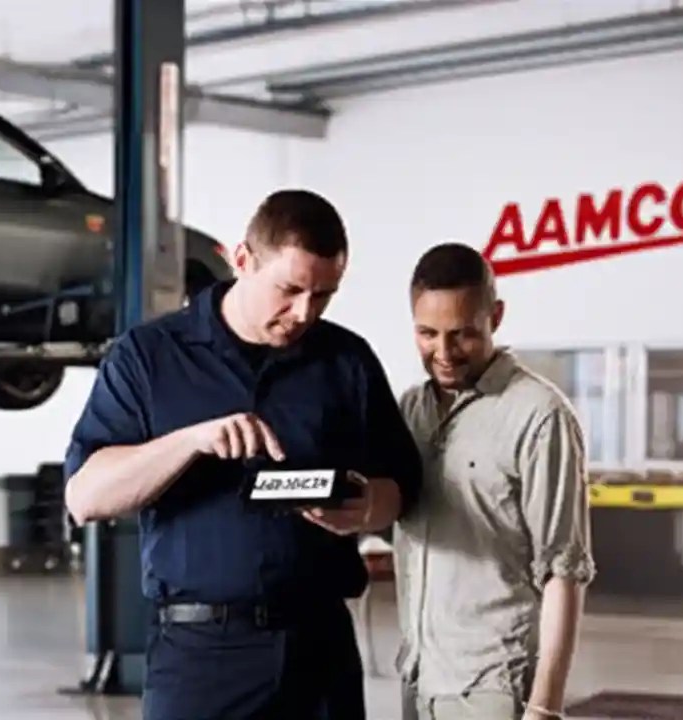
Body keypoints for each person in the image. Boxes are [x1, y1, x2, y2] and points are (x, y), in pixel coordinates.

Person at [62, 189, 424, 720]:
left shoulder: (345, 359)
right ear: (242, 261)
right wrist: (188, 442)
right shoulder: (148, 357)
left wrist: (367, 506)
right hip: (201, 655)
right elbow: (85, 497)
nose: (304, 312)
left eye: (323, 295)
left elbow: (403, 486)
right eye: (290, 288)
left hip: (320, 648)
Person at [393, 242, 595, 720]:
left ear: (495, 316)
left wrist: (545, 707)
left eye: (462, 334)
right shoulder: (410, 411)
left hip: (493, 688)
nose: (443, 353)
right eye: (427, 333)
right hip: (419, 678)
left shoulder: (539, 416)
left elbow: (564, 569)